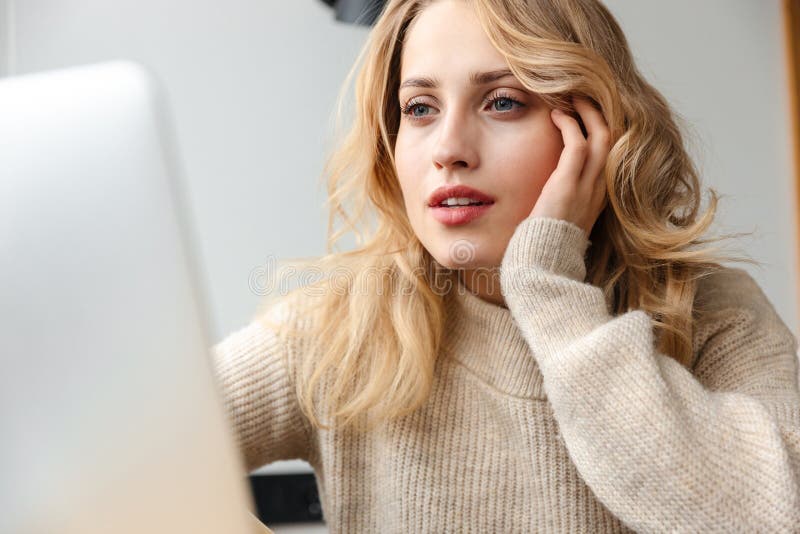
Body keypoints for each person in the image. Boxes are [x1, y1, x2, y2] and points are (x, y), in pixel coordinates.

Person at [212, 0, 800, 532]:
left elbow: (769, 519)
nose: (448, 148)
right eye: (419, 108)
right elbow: (124, 451)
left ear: (595, 131)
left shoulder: (715, 314)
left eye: (502, 102)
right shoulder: (338, 328)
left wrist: (548, 286)